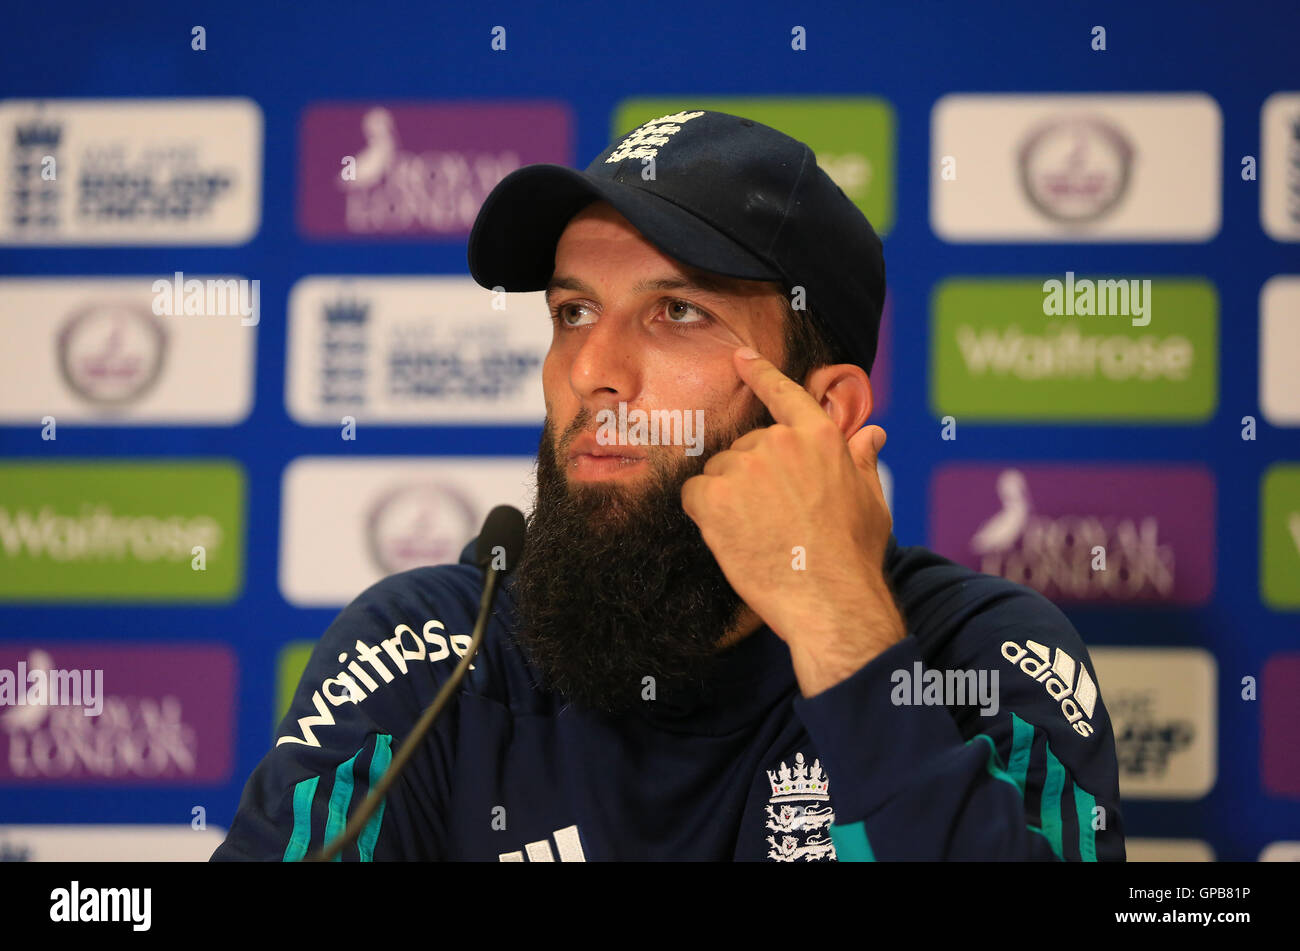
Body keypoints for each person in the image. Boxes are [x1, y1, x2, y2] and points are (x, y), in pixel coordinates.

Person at [212, 110, 1124, 861]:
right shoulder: (436, 654)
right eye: (573, 312)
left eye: (677, 311)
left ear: (827, 408)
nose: (593, 371)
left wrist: (842, 629)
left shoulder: (978, 657)